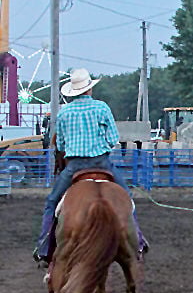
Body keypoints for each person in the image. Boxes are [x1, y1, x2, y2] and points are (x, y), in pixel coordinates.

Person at [32, 68, 149, 265]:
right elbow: (113, 139)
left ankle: (43, 249)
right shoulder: (102, 108)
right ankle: (137, 242)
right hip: (102, 163)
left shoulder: (64, 112)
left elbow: (60, 144)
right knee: (127, 198)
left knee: (52, 202)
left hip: (75, 167)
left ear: (73, 91)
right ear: (89, 89)